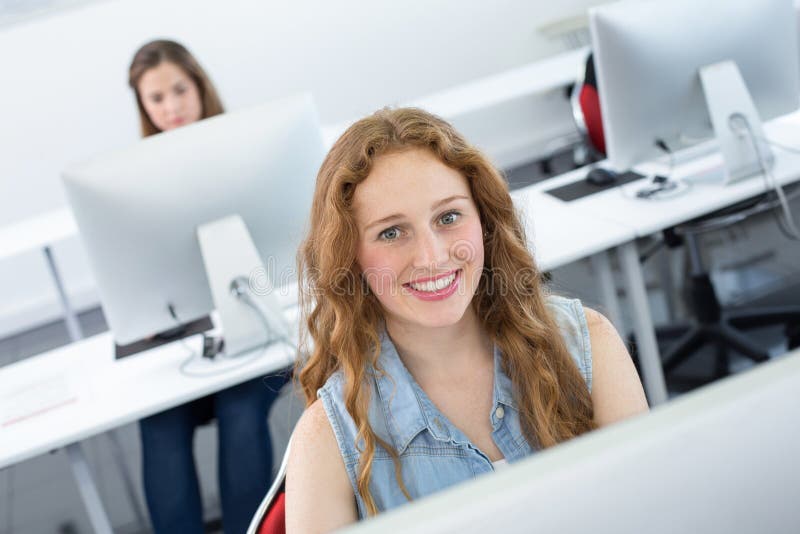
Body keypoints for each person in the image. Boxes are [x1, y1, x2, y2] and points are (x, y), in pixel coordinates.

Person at [285, 107, 649, 532]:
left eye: (448, 217)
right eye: (391, 232)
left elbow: (655, 514)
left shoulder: (588, 345)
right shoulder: (326, 440)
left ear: (484, 221)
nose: (432, 256)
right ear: (350, 258)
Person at [128, 39, 289, 534]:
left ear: (199, 85)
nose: (171, 107)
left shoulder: (244, 148)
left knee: (240, 409)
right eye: (156, 99)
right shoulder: (135, 176)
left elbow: (281, 242)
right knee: (158, 420)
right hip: (191, 337)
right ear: (142, 105)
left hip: (259, 323)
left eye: (180, 89)